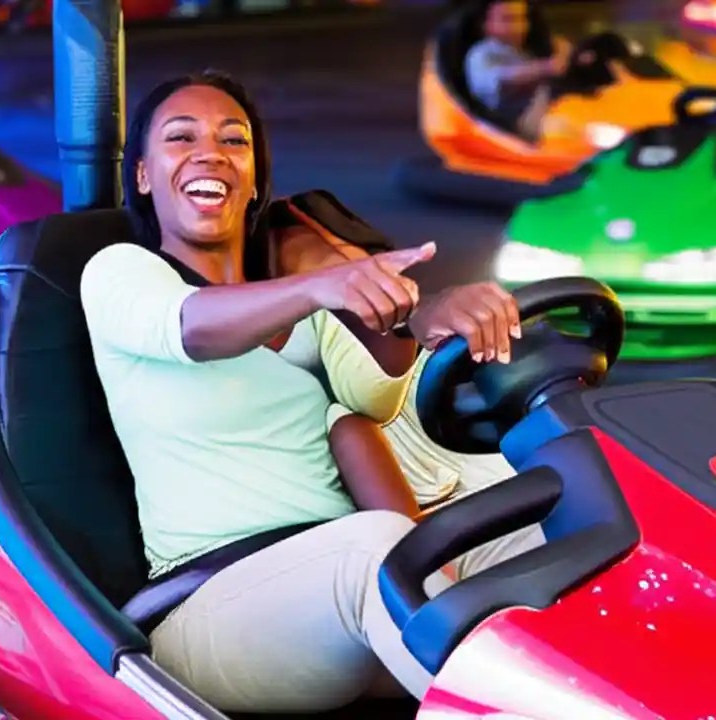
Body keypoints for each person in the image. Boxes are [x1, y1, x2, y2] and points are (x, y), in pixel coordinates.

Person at [81, 70, 545, 712]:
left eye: (233, 140)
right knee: (376, 551)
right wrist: (317, 287)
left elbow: (379, 396)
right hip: (213, 604)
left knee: (556, 517)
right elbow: (193, 329)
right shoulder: (121, 273)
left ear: (252, 179)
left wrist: (433, 310)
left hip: (339, 593)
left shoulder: (313, 320)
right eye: (180, 137)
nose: (209, 152)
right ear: (142, 175)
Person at [464, 0, 571, 141]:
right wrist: (545, 67)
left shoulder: (525, 52)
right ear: (487, 25)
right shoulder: (482, 53)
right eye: (508, 19)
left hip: (545, 114)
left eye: (522, 18)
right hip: (508, 129)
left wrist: (564, 53)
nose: (519, 27)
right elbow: (500, 79)